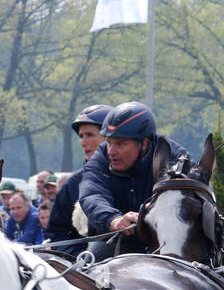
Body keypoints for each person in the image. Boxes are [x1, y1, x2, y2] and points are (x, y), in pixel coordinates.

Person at [79, 101, 189, 258]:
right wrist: (113, 220)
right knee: (88, 262)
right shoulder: (101, 156)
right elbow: (91, 194)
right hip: (113, 241)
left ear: (144, 144)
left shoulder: (176, 158)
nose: (111, 151)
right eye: (109, 143)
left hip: (165, 243)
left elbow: (184, 203)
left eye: (121, 144)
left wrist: (147, 215)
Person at [46, 103, 111, 253]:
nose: (83, 142)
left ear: (110, 137)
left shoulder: (135, 178)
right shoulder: (73, 184)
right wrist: (81, 257)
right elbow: (58, 233)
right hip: (88, 268)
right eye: (81, 136)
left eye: (90, 135)